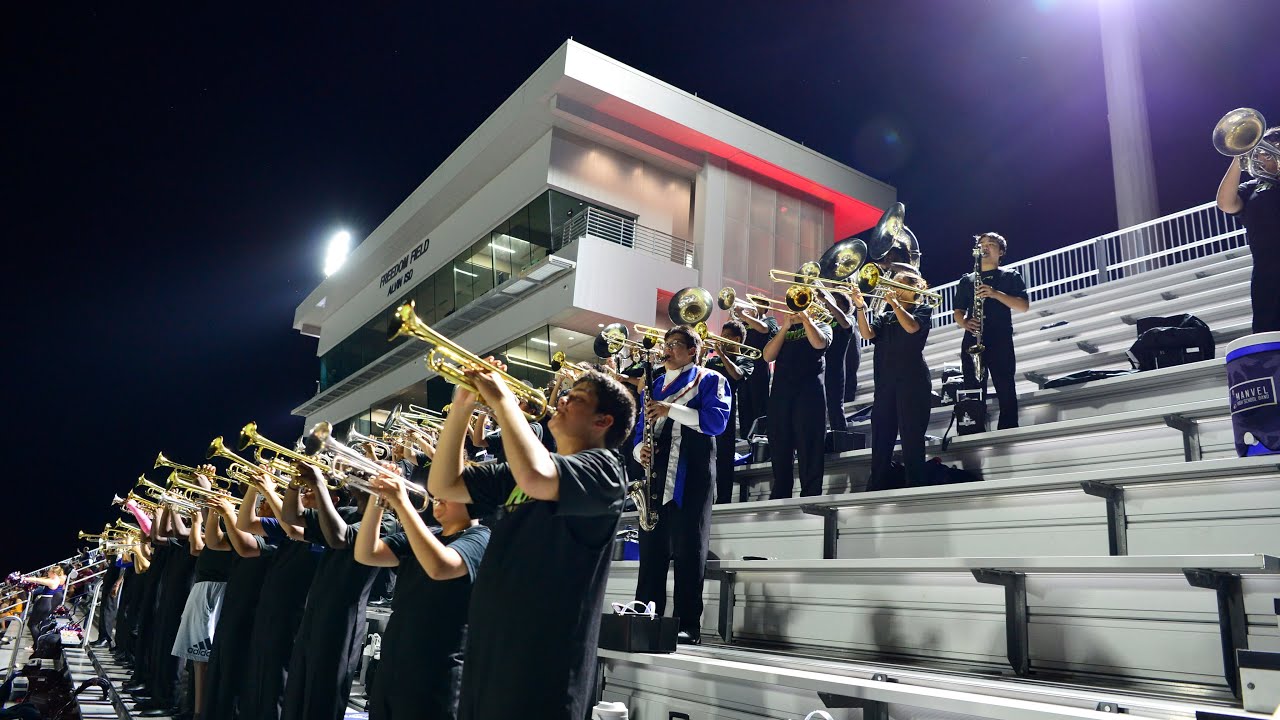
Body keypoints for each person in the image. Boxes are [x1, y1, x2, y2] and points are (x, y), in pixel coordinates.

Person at [429, 362, 636, 720]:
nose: (565, 399)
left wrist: (503, 400)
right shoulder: (523, 471)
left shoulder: (606, 469)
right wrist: (462, 405)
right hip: (491, 648)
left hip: (542, 664)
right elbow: (444, 484)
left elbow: (537, 476)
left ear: (603, 421)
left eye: (579, 398)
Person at [355, 473, 491, 720]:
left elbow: (440, 566)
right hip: (395, 663)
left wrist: (402, 504)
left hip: (436, 670)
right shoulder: (427, 533)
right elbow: (367, 553)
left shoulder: (480, 537)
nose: (438, 495)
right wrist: (378, 499)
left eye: (449, 489)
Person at [632, 325, 730, 643]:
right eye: (667, 344)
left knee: (690, 549)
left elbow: (716, 422)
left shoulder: (710, 379)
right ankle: (646, 617)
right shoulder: (655, 384)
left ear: (693, 351)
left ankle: (688, 624)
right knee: (651, 552)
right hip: (657, 473)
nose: (668, 349)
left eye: (676, 345)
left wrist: (670, 409)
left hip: (694, 470)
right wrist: (639, 450)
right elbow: (638, 430)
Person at [279, 465, 398, 720]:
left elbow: (338, 538)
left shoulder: (386, 522)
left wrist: (320, 484)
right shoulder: (346, 512)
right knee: (298, 687)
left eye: (367, 472)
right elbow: (291, 516)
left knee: (323, 695)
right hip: (316, 610)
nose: (359, 472)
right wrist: (295, 484)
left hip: (343, 618)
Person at [236, 471, 324, 720]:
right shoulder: (289, 523)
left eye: (308, 491)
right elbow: (245, 523)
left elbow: (293, 528)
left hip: (295, 612)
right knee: (260, 673)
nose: (303, 494)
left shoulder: (323, 527)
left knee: (279, 679)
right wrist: (254, 488)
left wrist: (269, 491)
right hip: (270, 607)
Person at [855, 274, 934, 490]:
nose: (894, 288)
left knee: (911, 435)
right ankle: (878, 485)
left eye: (899, 284)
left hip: (913, 380)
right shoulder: (886, 314)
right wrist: (860, 308)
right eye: (892, 284)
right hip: (885, 382)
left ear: (916, 287)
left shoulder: (922, 309)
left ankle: (916, 485)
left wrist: (896, 304)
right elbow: (867, 334)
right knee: (881, 436)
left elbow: (912, 328)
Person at [199, 490, 272, 720]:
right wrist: (214, 511)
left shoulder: (276, 537)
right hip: (232, 608)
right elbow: (214, 541)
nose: (259, 508)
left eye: (264, 504)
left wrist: (229, 511)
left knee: (234, 675)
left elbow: (244, 546)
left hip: (250, 613)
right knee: (219, 670)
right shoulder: (251, 529)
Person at [171, 469, 235, 720]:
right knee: (198, 659)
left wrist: (206, 486)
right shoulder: (216, 521)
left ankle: (202, 712)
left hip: (216, 588)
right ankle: (196, 710)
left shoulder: (230, 522)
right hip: (205, 587)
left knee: (204, 657)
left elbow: (201, 544)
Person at [953, 232, 1030, 429]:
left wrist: (995, 293)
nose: (985, 247)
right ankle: (973, 431)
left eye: (991, 244)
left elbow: (1023, 306)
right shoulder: (967, 280)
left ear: (1001, 251)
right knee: (972, 388)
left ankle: (1008, 431)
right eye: (982, 244)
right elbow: (958, 312)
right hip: (972, 339)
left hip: (1000, 338)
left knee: (1005, 386)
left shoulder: (1010, 276)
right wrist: (965, 322)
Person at [763, 308, 833, 498]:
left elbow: (819, 344)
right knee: (779, 444)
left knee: (809, 443)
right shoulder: (782, 331)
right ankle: (780, 493)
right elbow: (768, 356)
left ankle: (810, 494)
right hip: (781, 394)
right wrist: (785, 326)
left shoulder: (822, 325)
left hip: (810, 393)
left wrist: (807, 320)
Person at [1216, 126, 1280, 332]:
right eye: (1261, 151)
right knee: (1268, 337)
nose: (1262, 156)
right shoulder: (1253, 187)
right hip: (1266, 274)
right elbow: (1225, 203)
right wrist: (1238, 157)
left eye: (1271, 150)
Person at [705, 320, 753, 504]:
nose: (721, 340)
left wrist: (724, 356)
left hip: (727, 411)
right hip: (708, 409)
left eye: (726, 337)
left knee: (724, 457)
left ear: (737, 339)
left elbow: (737, 375)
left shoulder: (745, 360)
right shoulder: (713, 361)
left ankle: (724, 499)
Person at [737, 305, 779, 441]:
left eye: (755, 305)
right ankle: (745, 435)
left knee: (758, 401)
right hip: (743, 364)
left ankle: (761, 435)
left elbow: (763, 329)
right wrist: (734, 316)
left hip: (759, 364)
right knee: (743, 401)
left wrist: (744, 316)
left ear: (763, 309)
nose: (751, 308)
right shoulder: (744, 322)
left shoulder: (770, 321)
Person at [819, 290, 858, 431]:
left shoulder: (849, 318)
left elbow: (846, 324)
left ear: (845, 306)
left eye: (837, 302)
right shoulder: (822, 320)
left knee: (835, 407)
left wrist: (828, 301)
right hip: (818, 369)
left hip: (835, 368)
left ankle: (841, 439)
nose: (830, 305)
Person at [20, 565, 66, 645]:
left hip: (43, 604)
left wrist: (25, 579)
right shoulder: (56, 579)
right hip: (46, 603)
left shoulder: (53, 581)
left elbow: (38, 581)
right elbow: (43, 579)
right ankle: (37, 645)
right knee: (35, 624)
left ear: (54, 573)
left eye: (49, 571)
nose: (47, 572)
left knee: (32, 625)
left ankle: (38, 646)